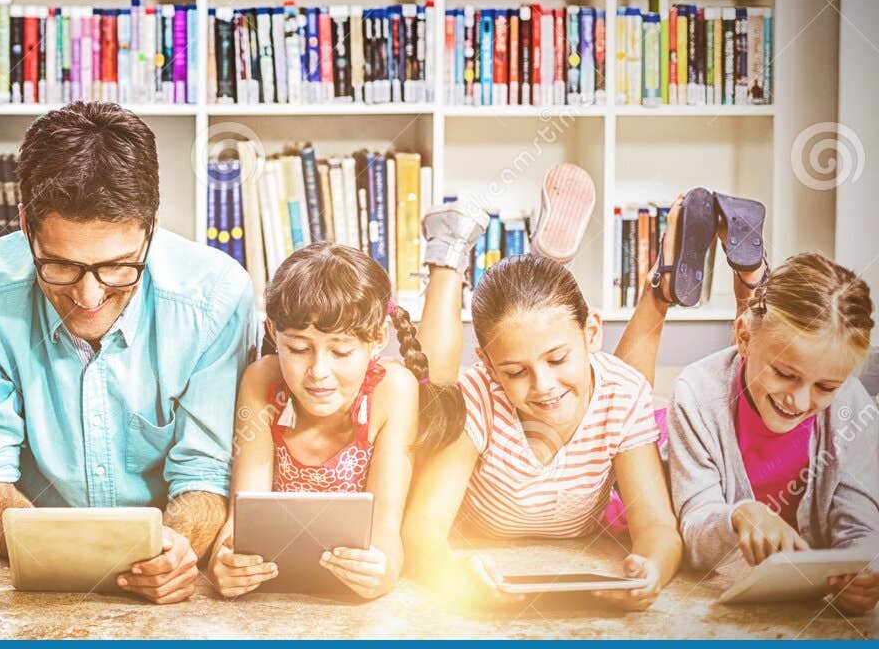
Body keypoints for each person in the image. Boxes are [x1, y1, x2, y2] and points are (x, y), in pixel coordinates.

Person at [0, 101, 257, 604]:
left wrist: (175, 548)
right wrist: (61, 556)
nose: (88, 298)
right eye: (61, 266)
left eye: (118, 267)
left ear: (151, 227)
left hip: (164, 579)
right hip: (29, 580)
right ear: (25, 224)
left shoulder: (217, 298)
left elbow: (205, 472)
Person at [403, 166, 683, 611]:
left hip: (579, 548)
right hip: (483, 544)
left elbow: (656, 525)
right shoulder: (479, 393)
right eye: (515, 371)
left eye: (557, 360)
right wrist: (450, 573)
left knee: (563, 343)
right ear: (490, 366)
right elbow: (421, 527)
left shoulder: (621, 391)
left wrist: (653, 569)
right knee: (428, 394)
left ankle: (556, 266)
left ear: (592, 333)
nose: (544, 386)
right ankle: (447, 262)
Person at [634, 190, 879, 613]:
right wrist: (741, 515)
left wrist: (863, 569)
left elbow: (860, 517)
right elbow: (693, 527)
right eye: (785, 373)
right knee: (623, 410)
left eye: (825, 387)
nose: (800, 400)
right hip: (670, 448)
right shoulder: (697, 391)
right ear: (742, 337)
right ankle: (666, 285)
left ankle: (751, 278)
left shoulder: (852, 403)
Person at [205, 243, 464, 599]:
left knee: (438, 379)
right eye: (297, 349)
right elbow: (241, 516)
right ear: (272, 332)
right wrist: (223, 563)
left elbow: (387, 529)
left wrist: (383, 569)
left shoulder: (393, 390)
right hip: (278, 599)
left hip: (350, 607)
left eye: (341, 351)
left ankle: (447, 261)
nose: (318, 372)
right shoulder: (261, 381)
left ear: (377, 339)